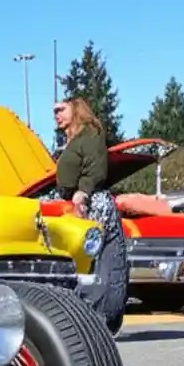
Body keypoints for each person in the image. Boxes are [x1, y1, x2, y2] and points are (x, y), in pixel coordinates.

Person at [54, 96, 127, 333]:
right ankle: (84, 320)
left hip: (92, 203)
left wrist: (82, 193)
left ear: (76, 109)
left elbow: (96, 167)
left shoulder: (91, 134)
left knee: (101, 263)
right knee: (82, 262)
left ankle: (103, 320)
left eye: (61, 109)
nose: (56, 114)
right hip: (75, 203)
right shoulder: (71, 141)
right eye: (55, 111)